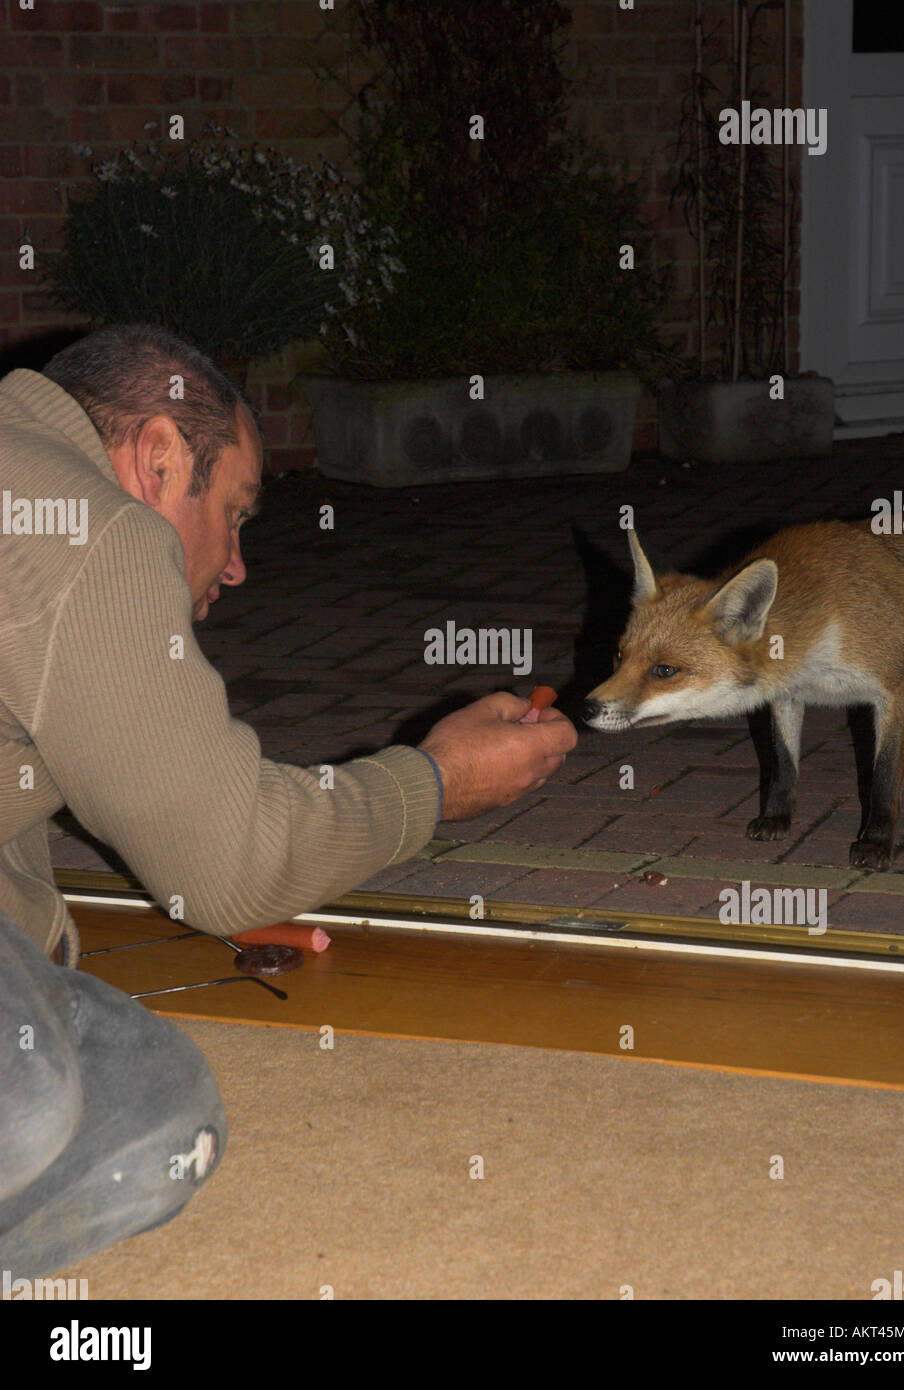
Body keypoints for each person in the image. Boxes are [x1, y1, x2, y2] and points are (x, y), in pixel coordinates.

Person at [0, 323, 577, 1278]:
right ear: (156, 458)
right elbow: (228, 866)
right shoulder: (90, 532)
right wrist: (433, 782)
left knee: (162, 1120)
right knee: (27, 1098)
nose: (235, 564)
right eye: (232, 513)